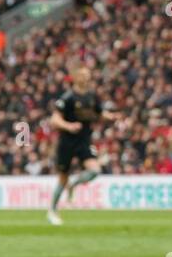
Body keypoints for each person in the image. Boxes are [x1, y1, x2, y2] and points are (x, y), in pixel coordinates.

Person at [48, 64, 119, 226]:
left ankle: (74, 185)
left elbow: (100, 114)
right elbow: (54, 119)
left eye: (88, 75)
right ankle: (52, 210)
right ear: (76, 78)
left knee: (95, 170)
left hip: (84, 141)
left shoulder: (92, 97)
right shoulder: (67, 98)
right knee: (62, 178)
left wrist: (112, 117)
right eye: (83, 75)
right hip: (67, 142)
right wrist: (69, 126)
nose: (87, 78)